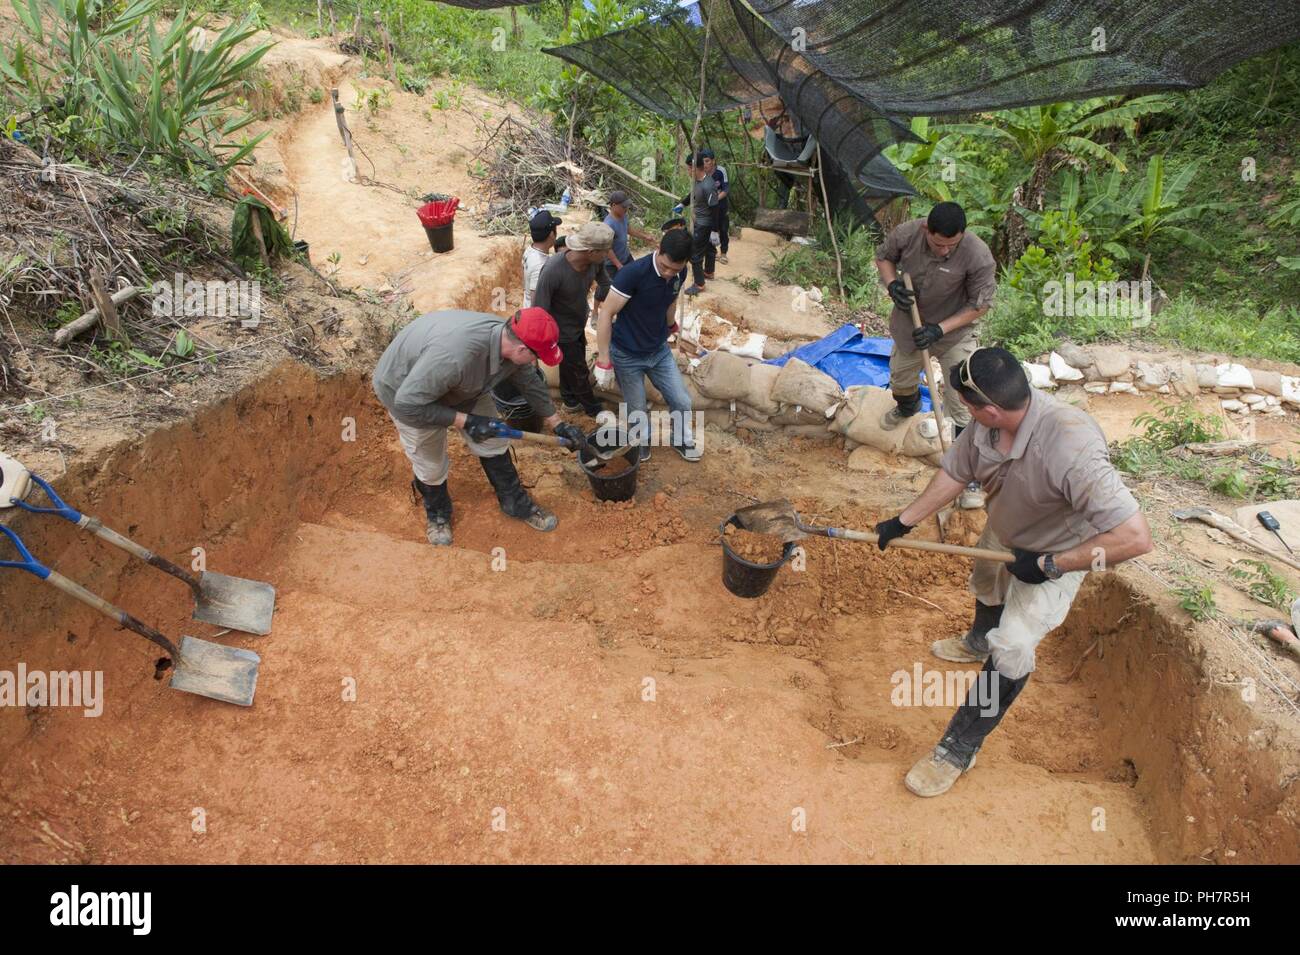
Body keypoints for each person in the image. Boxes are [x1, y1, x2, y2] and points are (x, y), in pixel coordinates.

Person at [872, 347, 1153, 797]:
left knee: (1012, 649)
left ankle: (958, 747)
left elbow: (1135, 538)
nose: (965, 411)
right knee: (986, 581)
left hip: (1059, 552)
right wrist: (904, 520)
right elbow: (956, 472)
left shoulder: (1071, 445)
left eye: (968, 406)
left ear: (991, 409)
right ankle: (976, 639)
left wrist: (1052, 564)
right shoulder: (986, 427)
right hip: (1006, 529)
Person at [373, 307, 588, 547]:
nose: (536, 361)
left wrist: (557, 424)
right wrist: (467, 421)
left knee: (494, 439)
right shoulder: (455, 356)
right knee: (431, 463)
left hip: (463, 384)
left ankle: (514, 502)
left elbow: (528, 381)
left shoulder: (511, 339)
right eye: (536, 356)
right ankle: (438, 513)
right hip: (408, 395)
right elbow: (409, 402)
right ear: (522, 349)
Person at [874, 201, 997, 508]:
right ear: (926, 229)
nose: (944, 251)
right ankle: (908, 406)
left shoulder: (978, 255)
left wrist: (940, 330)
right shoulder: (907, 233)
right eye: (938, 244)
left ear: (962, 235)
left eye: (950, 246)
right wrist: (892, 286)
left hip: (954, 332)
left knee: (962, 401)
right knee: (900, 380)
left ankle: (967, 472)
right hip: (909, 326)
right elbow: (884, 258)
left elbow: (980, 305)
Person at [593, 228, 700, 463]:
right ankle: (640, 442)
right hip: (626, 354)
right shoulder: (632, 274)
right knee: (637, 406)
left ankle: (681, 438)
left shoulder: (679, 274)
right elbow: (606, 313)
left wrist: (671, 325)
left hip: (658, 351)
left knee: (682, 400)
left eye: (676, 269)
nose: (668, 273)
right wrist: (603, 359)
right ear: (658, 250)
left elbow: (670, 300)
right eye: (664, 267)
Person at [532, 221, 614, 418]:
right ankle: (593, 408)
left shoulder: (596, 263)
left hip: (578, 322)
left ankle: (569, 399)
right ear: (591, 251)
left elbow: (606, 284)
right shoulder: (553, 270)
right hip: (560, 331)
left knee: (568, 364)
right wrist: (545, 341)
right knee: (578, 370)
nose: (608, 255)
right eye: (605, 251)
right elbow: (540, 310)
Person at [681, 153, 720, 296]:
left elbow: (715, 209)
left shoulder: (708, 185)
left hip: (704, 224)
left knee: (694, 253)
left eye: (688, 168)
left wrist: (715, 230)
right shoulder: (698, 182)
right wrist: (682, 203)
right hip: (702, 223)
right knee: (709, 248)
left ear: (693, 168)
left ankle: (699, 284)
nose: (687, 171)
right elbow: (693, 194)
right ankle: (709, 272)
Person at [522, 209, 560, 309]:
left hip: (526, 305)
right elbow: (536, 299)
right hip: (535, 316)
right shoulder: (540, 264)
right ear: (552, 234)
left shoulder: (530, 250)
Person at [701, 149, 730, 264]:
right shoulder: (701, 173)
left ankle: (723, 254)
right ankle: (710, 254)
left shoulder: (721, 171)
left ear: (713, 161)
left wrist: (714, 199)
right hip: (707, 208)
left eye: (707, 161)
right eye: (703, 161)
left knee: (723, 230)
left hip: (721, 206)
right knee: (709, 229)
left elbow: (726, 189)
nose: (705, 164)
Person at [601, 191, 634, 288]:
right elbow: (608, 248)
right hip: (611, 265)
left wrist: (645, 237)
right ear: (614, 205)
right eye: (624, 207)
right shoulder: (608, 224)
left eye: (627, 206)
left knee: (634, 279)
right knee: (609, 289)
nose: (626, 209)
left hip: (626, 257)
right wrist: (618, 265)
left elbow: (628, 229)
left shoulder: (623, 216)